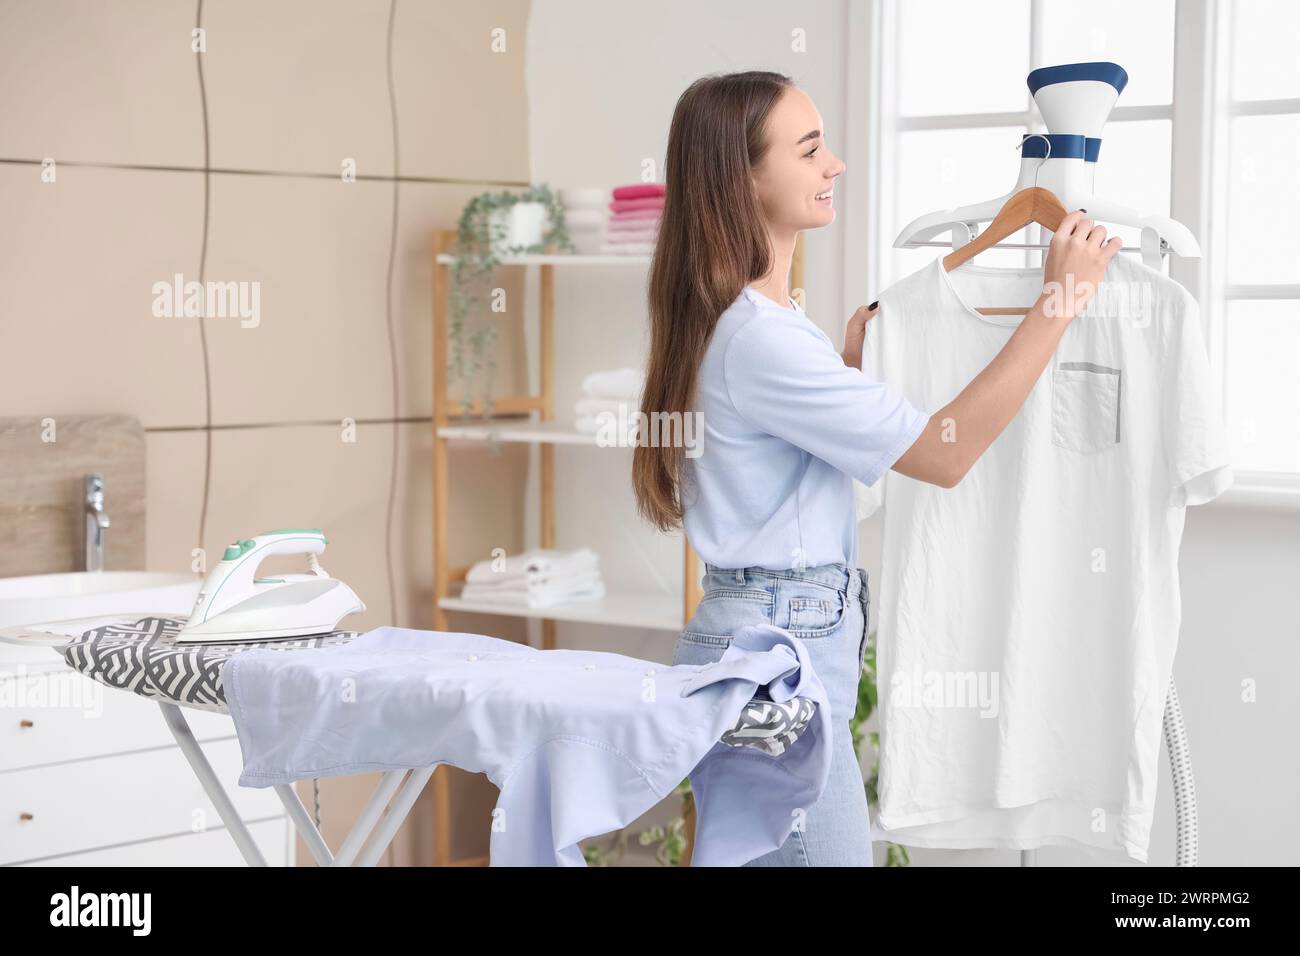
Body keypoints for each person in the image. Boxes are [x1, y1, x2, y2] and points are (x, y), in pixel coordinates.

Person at [631, 70, 1120, 866]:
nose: (836, 166)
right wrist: (1058, 303)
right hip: (779, 652)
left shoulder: (763, 321)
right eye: (811, 148)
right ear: (741, 177)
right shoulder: (763, 337)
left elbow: (801, 485)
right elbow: (944, 452)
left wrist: (849, 368)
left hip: (768, 638)